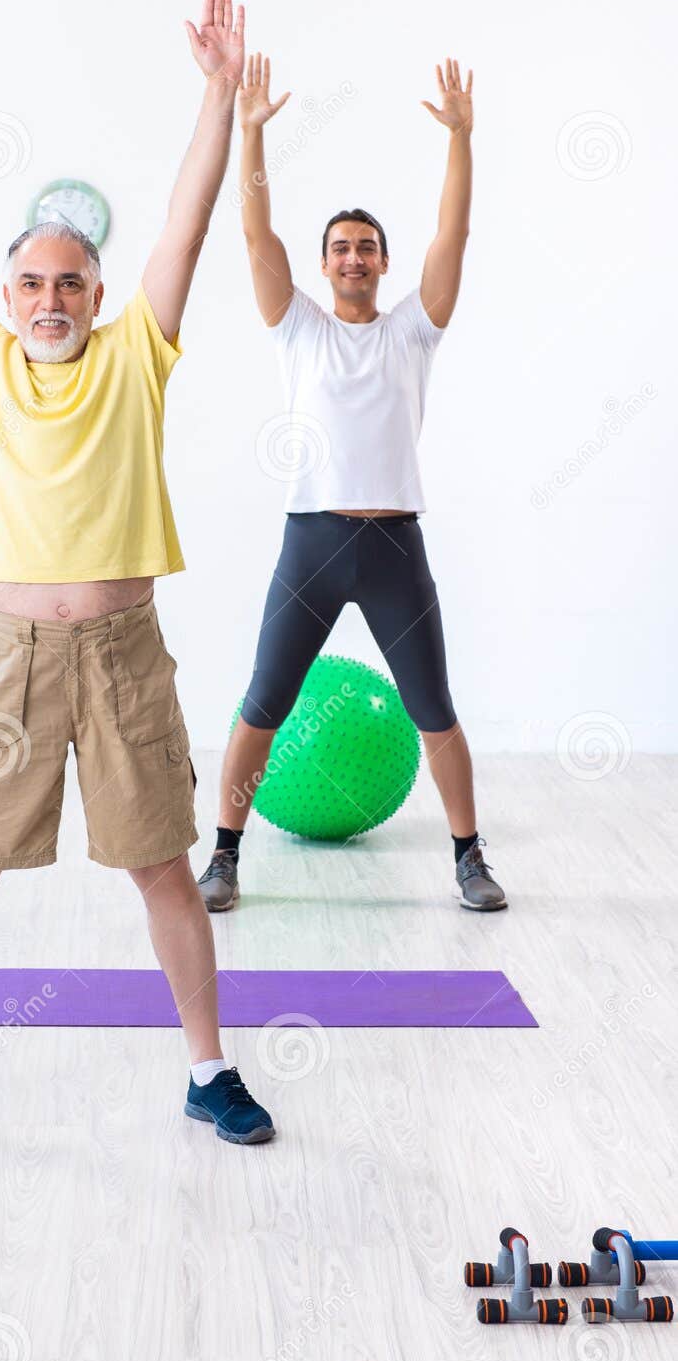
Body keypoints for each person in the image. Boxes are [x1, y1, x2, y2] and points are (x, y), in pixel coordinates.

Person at [0, 0, 275, 1150]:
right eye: (29, 281)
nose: (47, 299)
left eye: (70, 281)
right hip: (6, 661)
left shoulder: (137, 355)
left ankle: (208, 1071)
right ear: (7, 292)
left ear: (97, 292)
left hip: (124, 659)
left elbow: (183, 225)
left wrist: (218, 95)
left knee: (164, 871)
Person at [197, 54, 506, 915]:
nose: (353, 256)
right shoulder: (298, 329)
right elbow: (256, 235)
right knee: (262, 702)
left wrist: (460, 140)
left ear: (382, 261)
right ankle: (223, 857)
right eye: (340, 247)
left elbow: (455, 235)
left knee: (435, 709)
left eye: (366, 246)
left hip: (393, 546)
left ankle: (469, 859)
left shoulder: (414, 331)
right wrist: (251, 133)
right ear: (327, 264)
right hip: (314, 542)